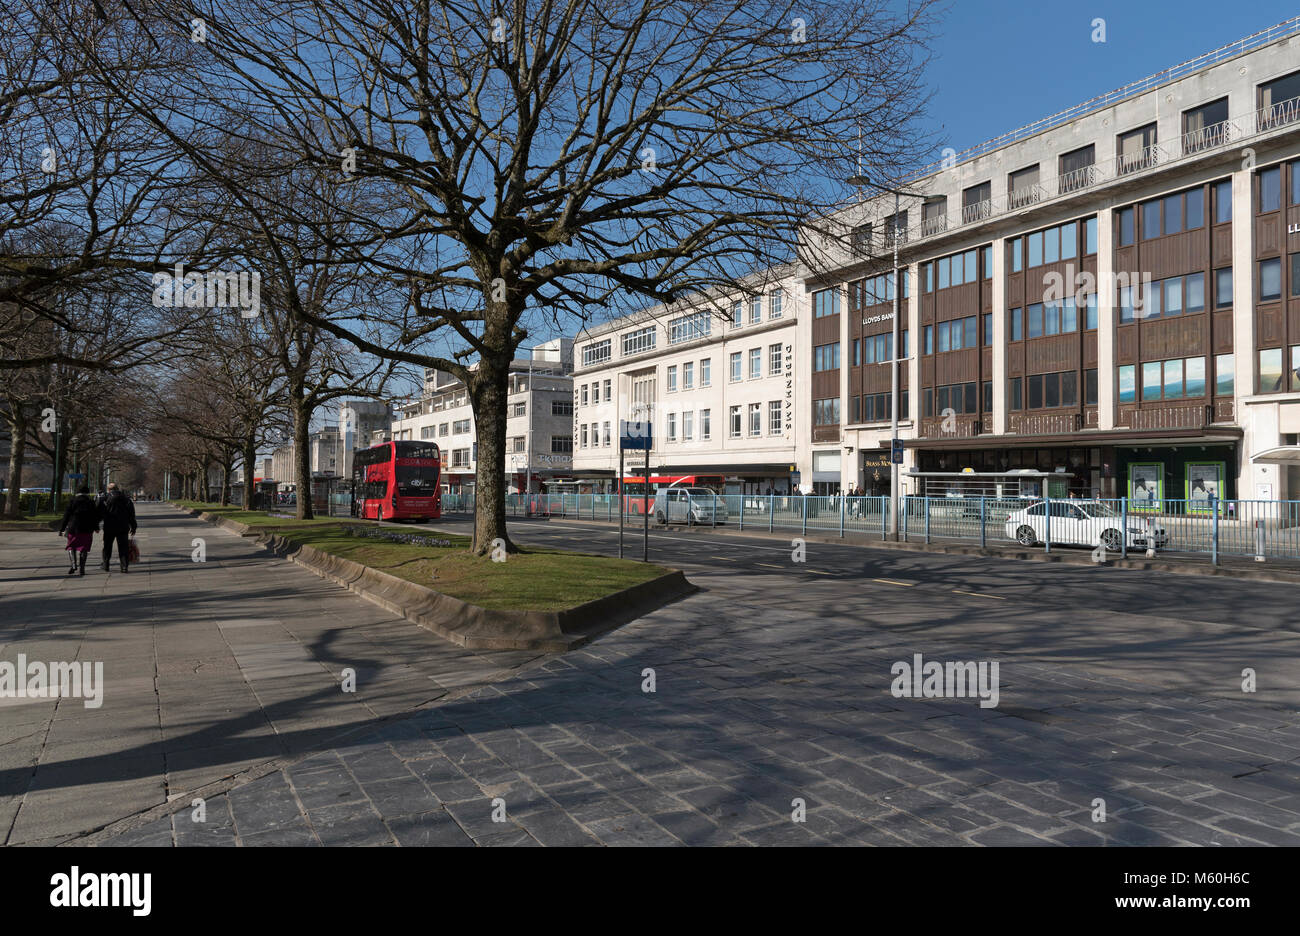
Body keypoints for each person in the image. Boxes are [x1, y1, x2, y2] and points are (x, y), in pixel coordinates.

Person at [57, 485, 98, 576]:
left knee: (71, 546)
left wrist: (62, 529)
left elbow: (66, 516)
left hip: (73, 528)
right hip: (87, 529)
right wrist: (96, 527)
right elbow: (95, 516)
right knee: (84, 548)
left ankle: (74, 565)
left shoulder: (72, 501)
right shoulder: (90, 502)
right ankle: (82, 568)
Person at [98, 482, 137, 573]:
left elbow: (101, 512)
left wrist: (96, 525)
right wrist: (133, 527)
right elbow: (131, 514)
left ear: (108, 490)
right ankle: (124, 566)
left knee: (107, 547)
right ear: (117, 488)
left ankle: (106, 564)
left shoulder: (105, 499)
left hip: (109, 527)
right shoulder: (126, 499)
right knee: (123, 547)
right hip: (123, 527)